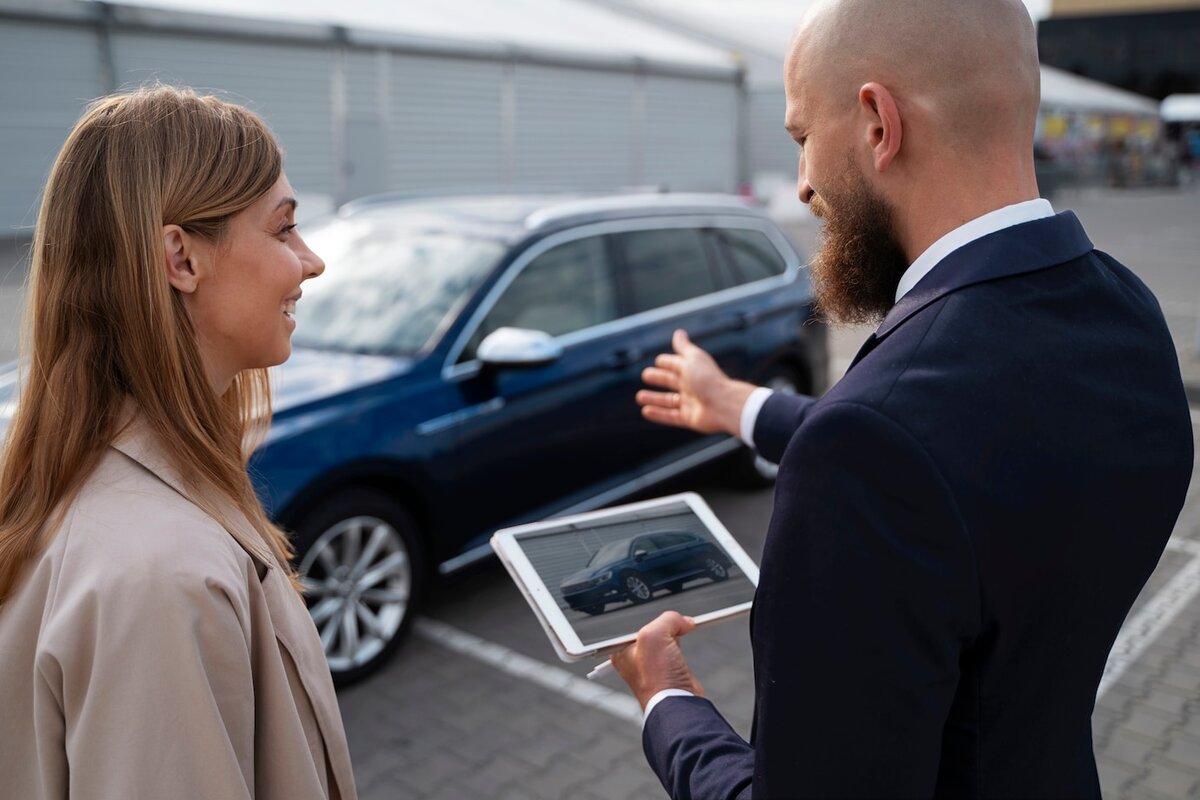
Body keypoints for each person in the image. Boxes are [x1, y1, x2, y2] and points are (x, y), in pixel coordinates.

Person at [611, 1, 1194, 797]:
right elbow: (962, 463)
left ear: (879, 125)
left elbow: (905, 453)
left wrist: (668, 703)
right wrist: (742, 405)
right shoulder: (1127, 315)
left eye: (801, 139)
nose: (806, 184)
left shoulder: (875, 445)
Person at [0, 87, 356, 799]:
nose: (310, 262)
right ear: (181, 259)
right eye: (283, 229)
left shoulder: (110, 485)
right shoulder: (159, 576)